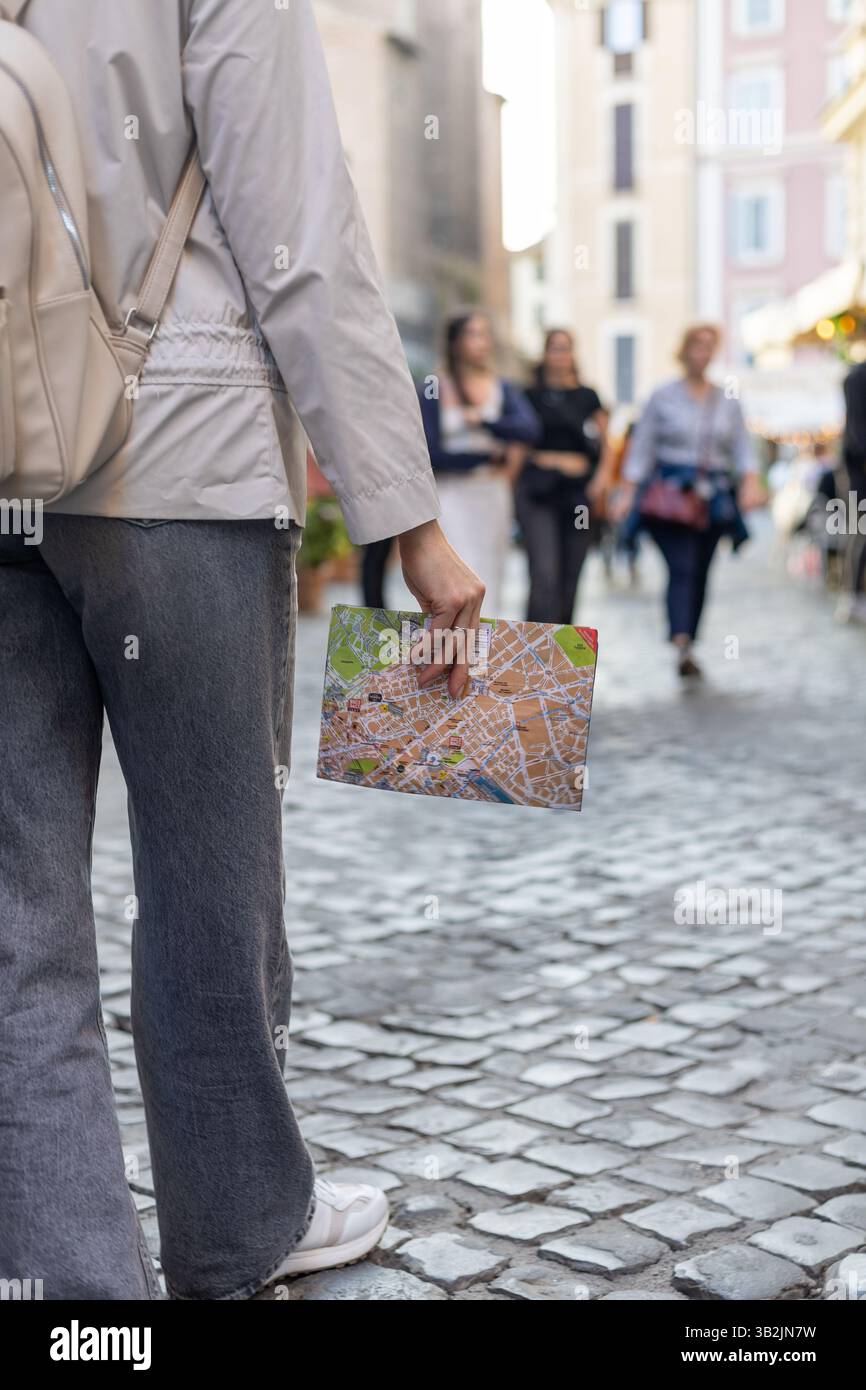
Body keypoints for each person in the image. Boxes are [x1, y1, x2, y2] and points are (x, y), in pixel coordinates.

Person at [0, 0, 483, 1301]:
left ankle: (76, 1292)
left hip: (3, 469)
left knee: (17, 919)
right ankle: (236, 1230)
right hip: (177, 457)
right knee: (211, 885)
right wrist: (411, 527)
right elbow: (302, 240)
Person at [615, 325, 765, 678]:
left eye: (708, 347)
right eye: (696, 346)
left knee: (700, 569)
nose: (702, 353)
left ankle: (690, 638)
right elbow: (642, 448)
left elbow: (743, 447)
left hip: (712, 497)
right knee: (681, 567)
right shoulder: (662, 396)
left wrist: (750, 483)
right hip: (670, 495)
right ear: (683, 351)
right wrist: (626, 492)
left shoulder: (726, 398)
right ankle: (681, 641)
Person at [418, 313, 541, 615]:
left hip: (490, 492)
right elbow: (430, 451)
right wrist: (487, 456)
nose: (481, 342)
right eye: (473, 334)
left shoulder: (503, 388)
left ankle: (484, 651)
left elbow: (529, 429)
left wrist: (486, 422)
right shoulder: (435, 388)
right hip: (450, 492)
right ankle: (450, 646)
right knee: (457, 567)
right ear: (456, 342)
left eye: (485, 334)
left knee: (490, 570)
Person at [518, 329, 611, 622]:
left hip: (578, 496)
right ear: (544, 353)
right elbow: (518, 446)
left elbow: (608, 446)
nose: (560, 355)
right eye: (555, 349)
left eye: (566, 349)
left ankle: (560, 656)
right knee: (544, 574)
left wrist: (601, 481)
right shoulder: (529, 396)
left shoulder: (588, 396)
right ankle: (531, 648)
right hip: (539, 492)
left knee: (571, 577)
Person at [839, 362, 866, 623]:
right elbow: (857, 435)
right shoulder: (857, 377)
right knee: (860, 534)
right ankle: (853, 595)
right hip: (860, 475)